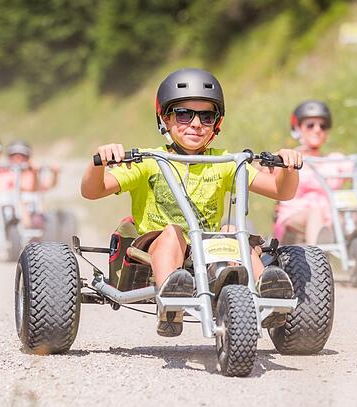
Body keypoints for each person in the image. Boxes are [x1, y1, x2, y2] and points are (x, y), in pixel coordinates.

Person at [81, 68, 302, 336]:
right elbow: (93, 192)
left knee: (232, 231)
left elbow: (281, 192)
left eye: (206, 116)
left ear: (216, 123)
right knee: (173, 232)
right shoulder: (148, 160)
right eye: (184, 114)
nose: (196, 124)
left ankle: (268, 291)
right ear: (165, 118)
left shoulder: (224, 162)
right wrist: (100, 162)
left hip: (208, 249)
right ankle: (171, 303)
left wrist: (288, 167)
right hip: (155, 248)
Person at [273, 100, 357, 244]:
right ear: (298, 128)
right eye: (310, 125)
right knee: (315, 213)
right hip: (294, 220)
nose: (317, 130)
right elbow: (259, 170)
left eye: (323, 126)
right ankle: (316, 262)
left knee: (353, 212)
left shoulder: (334, 160)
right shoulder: (288, 157)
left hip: (330, 219)